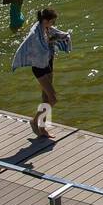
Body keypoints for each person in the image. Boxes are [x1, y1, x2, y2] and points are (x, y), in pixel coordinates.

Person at [12, 8, 72, 139]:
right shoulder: (34, 33)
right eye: (52, 21)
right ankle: (34, 121)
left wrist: (61, 37)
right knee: (53, 98)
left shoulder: (47, 29)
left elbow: (50, 39)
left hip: (49, 63)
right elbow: (27, 46)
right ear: (45, 20)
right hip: (39, 68)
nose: (53, 24)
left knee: (45, 98)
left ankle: (43, 128)